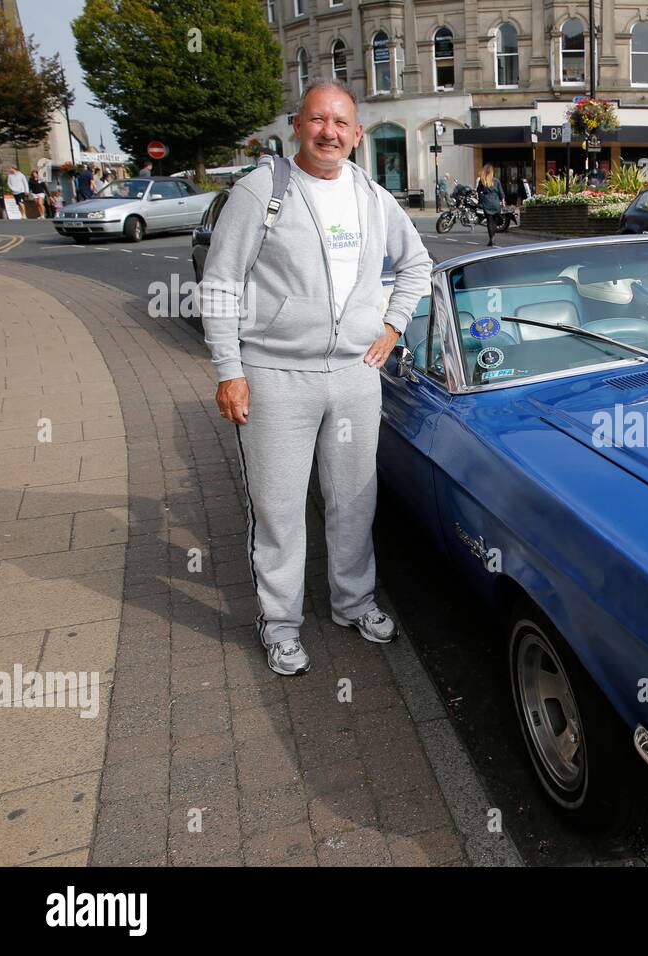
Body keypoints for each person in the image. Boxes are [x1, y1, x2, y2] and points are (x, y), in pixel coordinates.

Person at [199, 79, 432, 676]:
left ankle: (352, 603)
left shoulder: (374, 196)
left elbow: (416, 265)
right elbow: (222, 284)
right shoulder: (260, 192)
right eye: (317, 120)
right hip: (276, 376)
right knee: (277, 510)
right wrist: (230, 370)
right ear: (297, 125)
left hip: (355, 376)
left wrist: (392, 326)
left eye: (341, 124)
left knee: (354, 501)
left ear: (356, 135)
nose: (329, 132)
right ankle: (279, 624)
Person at [477, 163, 505, 246]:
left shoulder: (482, 181)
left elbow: (478, 192)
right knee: (495, 221)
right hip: (495, 203)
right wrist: (502, 201)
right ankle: (493, 237)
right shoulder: (496, 181)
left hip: (486, 203)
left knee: (489, 221)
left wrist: (480, 201)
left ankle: (491, 239)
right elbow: (501, 192)